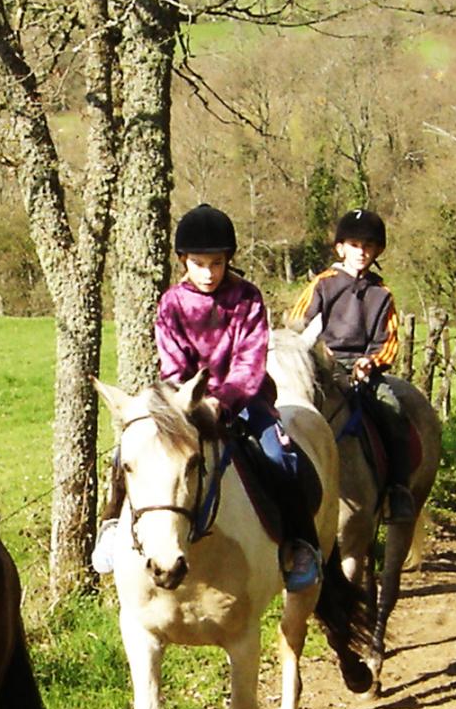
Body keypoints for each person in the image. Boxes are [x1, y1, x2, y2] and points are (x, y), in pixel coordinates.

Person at [136, 203, 323, 589]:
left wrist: (222, 400)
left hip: (245, 400)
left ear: (228, 260)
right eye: (199, 263)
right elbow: (171, 364)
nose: (208, 273)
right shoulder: (171, 303)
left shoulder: (247, 298)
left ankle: (300, 542)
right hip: (184, 403)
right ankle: (113, 527)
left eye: (217, 263)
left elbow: (250, 362)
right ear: (183, 260)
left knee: (279, 454)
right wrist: (187, 400)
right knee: (132, 451)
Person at [287, 207, 417, 521]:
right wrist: (319, 355)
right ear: (341, 248)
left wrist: (370, 362)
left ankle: (397, 489)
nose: (362, 252)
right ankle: (287, 485)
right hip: (323, 365)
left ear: (378, 251)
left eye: (369, 246)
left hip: (363, 370)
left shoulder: (381, 293)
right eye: (355, 245)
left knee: (393, 411)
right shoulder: (323, 284)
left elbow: (389, 340)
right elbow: (295, 326)